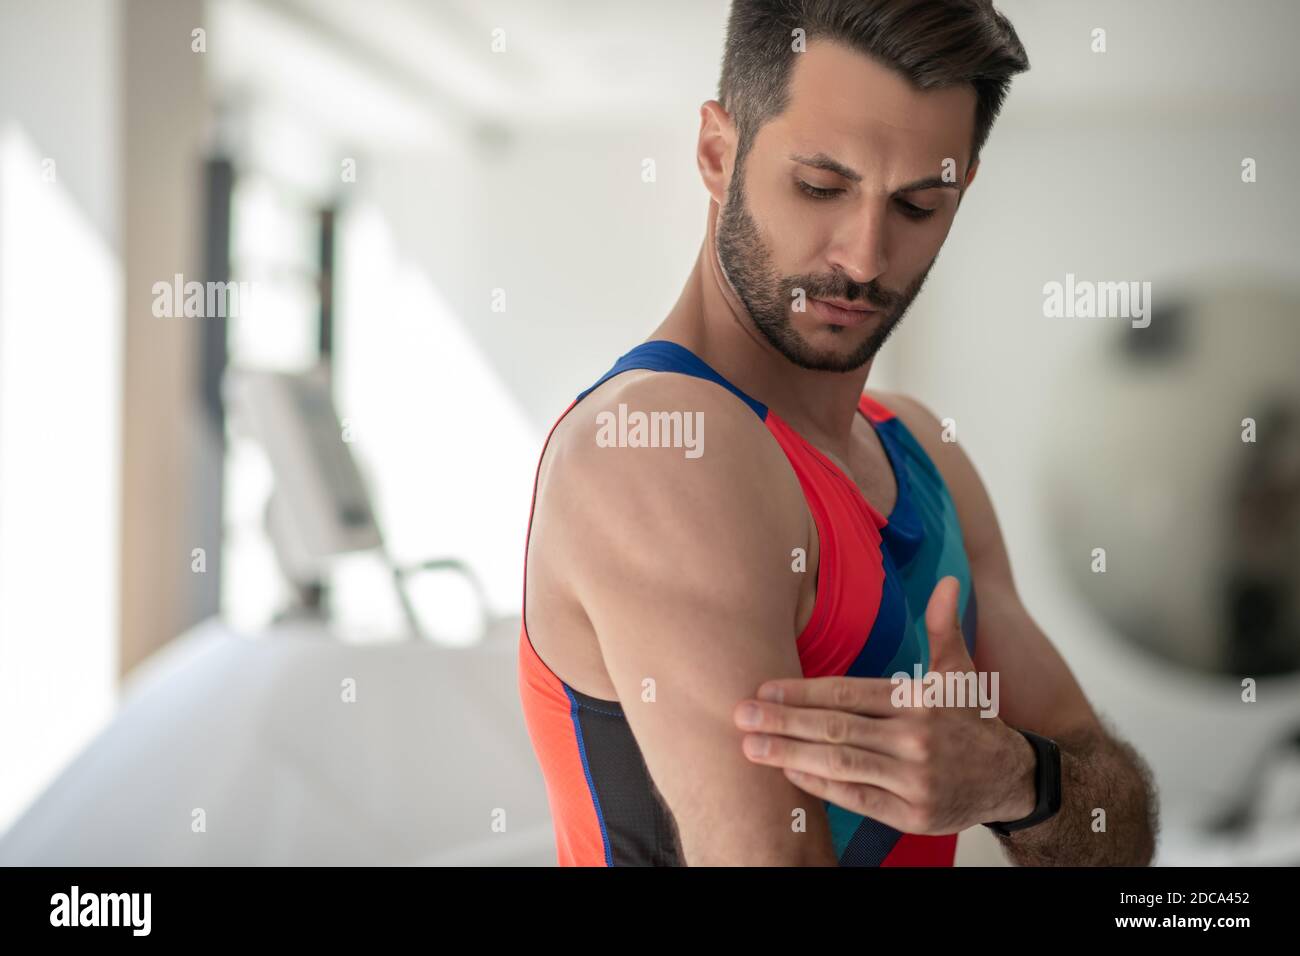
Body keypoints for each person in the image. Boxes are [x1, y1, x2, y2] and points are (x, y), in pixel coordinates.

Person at [517, 0, 1157, 866]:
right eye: (821, 187)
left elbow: (1115, 838)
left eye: (919, 205)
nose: (863, 256)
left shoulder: (923, 450)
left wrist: (1017, 779)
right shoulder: (659, 446)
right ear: (716, 153)